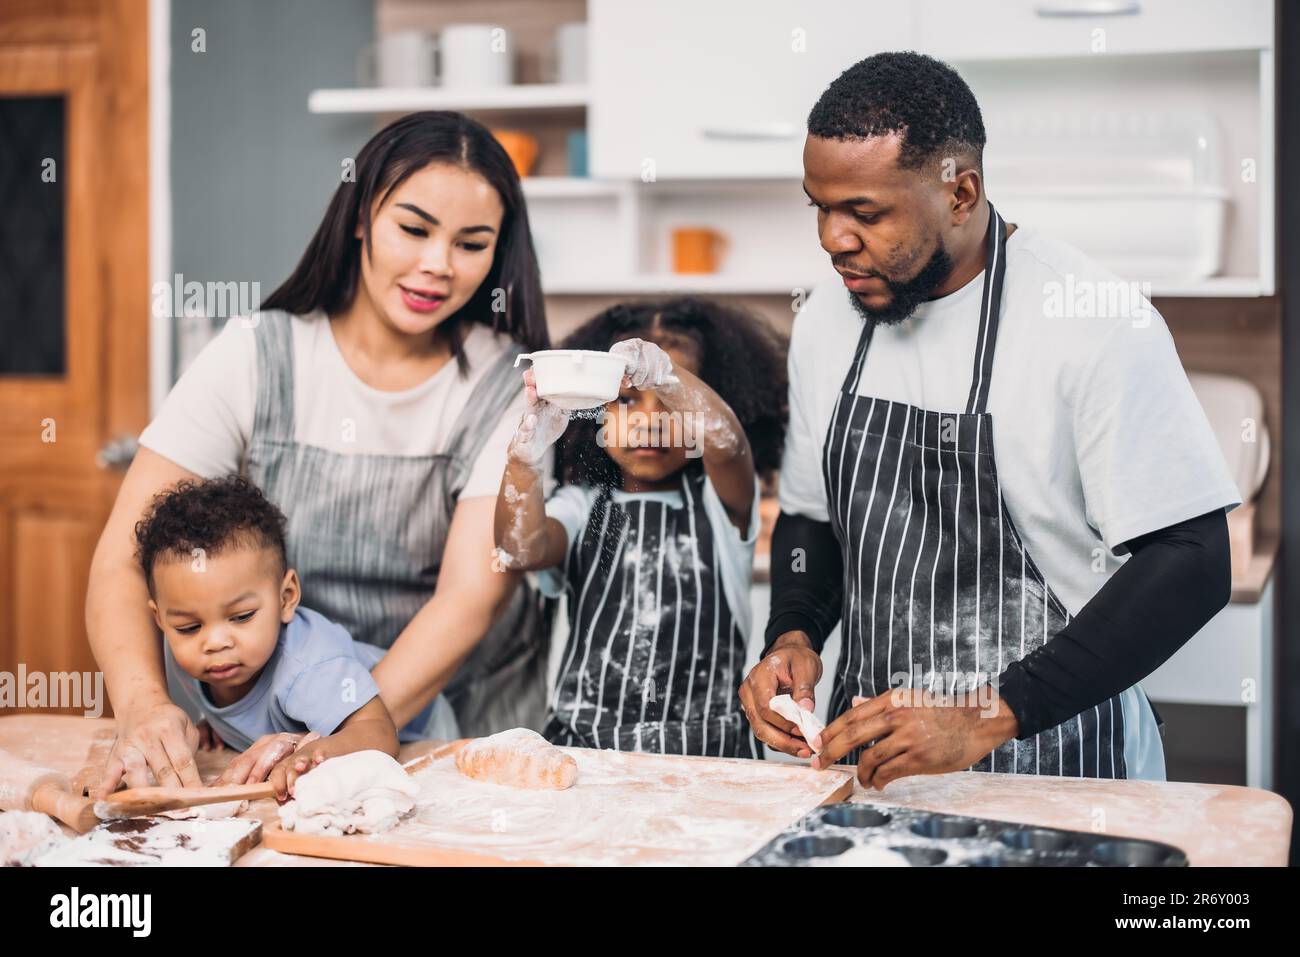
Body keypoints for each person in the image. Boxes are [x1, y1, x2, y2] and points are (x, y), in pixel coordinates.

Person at [739, 52, 1240, 786]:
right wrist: (795, 631)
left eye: (865, 213)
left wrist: (985, 714)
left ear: (960, 193)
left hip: (1065, 763)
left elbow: (1194, 562)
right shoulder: (826, 323)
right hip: (878, 765)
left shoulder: (1092, 322)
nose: (832, 239)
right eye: (819, 205)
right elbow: (812, 519)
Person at [87, 111, 550, 797]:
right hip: (255, 736)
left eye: (471, 244)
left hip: (446, 734)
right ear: (361, 216)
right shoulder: (256, 354)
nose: (438, 265)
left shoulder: (506, 387)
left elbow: (466, 600)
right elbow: (125, 559)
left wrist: (340, 734)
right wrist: (144, 705)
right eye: (414, 229)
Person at [495, 298, 786, 756]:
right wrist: (523, 461)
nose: (650, 422)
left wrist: (664, 373)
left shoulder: (725, 506)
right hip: (585, 754)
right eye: (626, 400)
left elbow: (727, 447)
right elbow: (520, 549)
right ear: (591, 410)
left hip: (708, 763)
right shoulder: (578, 507)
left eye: (670, 403)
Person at [136, 475, 443, 798]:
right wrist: (221, 726)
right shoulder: (188, 656)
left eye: (241, 617)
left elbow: (379, 732)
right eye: (189, 627)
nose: (214, 643)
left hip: (422, 739)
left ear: (286, 598)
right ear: (161, 620)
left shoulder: (308, 667)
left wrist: (315, 754)